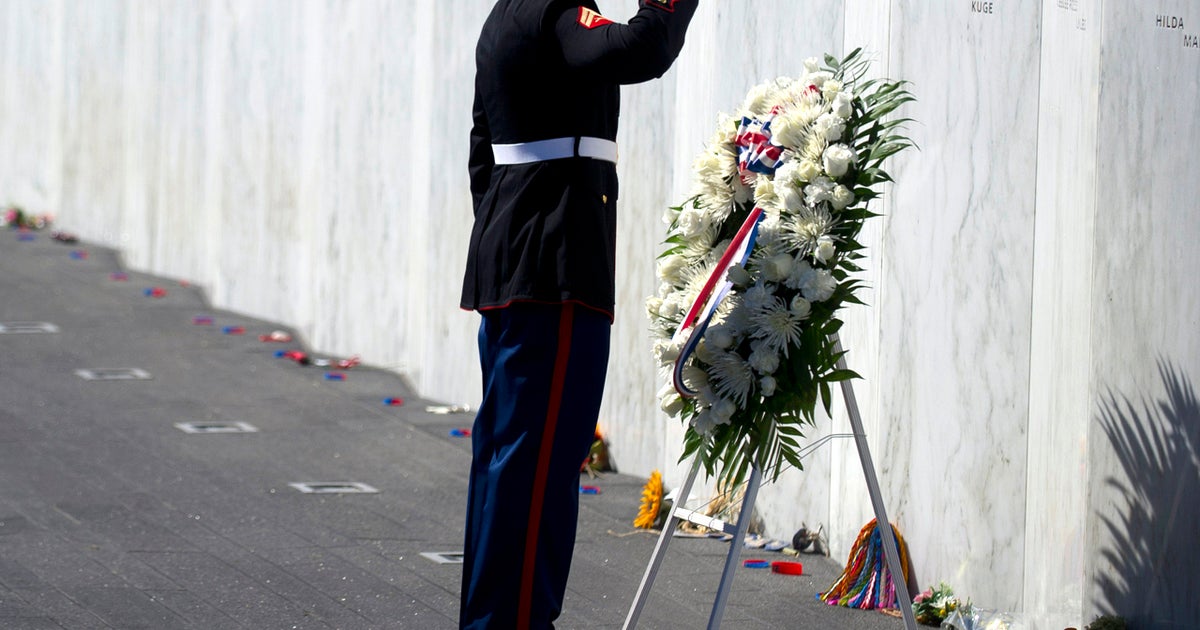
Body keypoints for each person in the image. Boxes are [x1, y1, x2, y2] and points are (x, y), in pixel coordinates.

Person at [459, 1, 698, 627]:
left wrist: (509, 232)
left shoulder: (502, 16)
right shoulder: (557, 11)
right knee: (538, 466)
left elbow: (481, 157)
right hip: (555, 265)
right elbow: (638, 49)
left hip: (513, 259)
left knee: (505, 459)